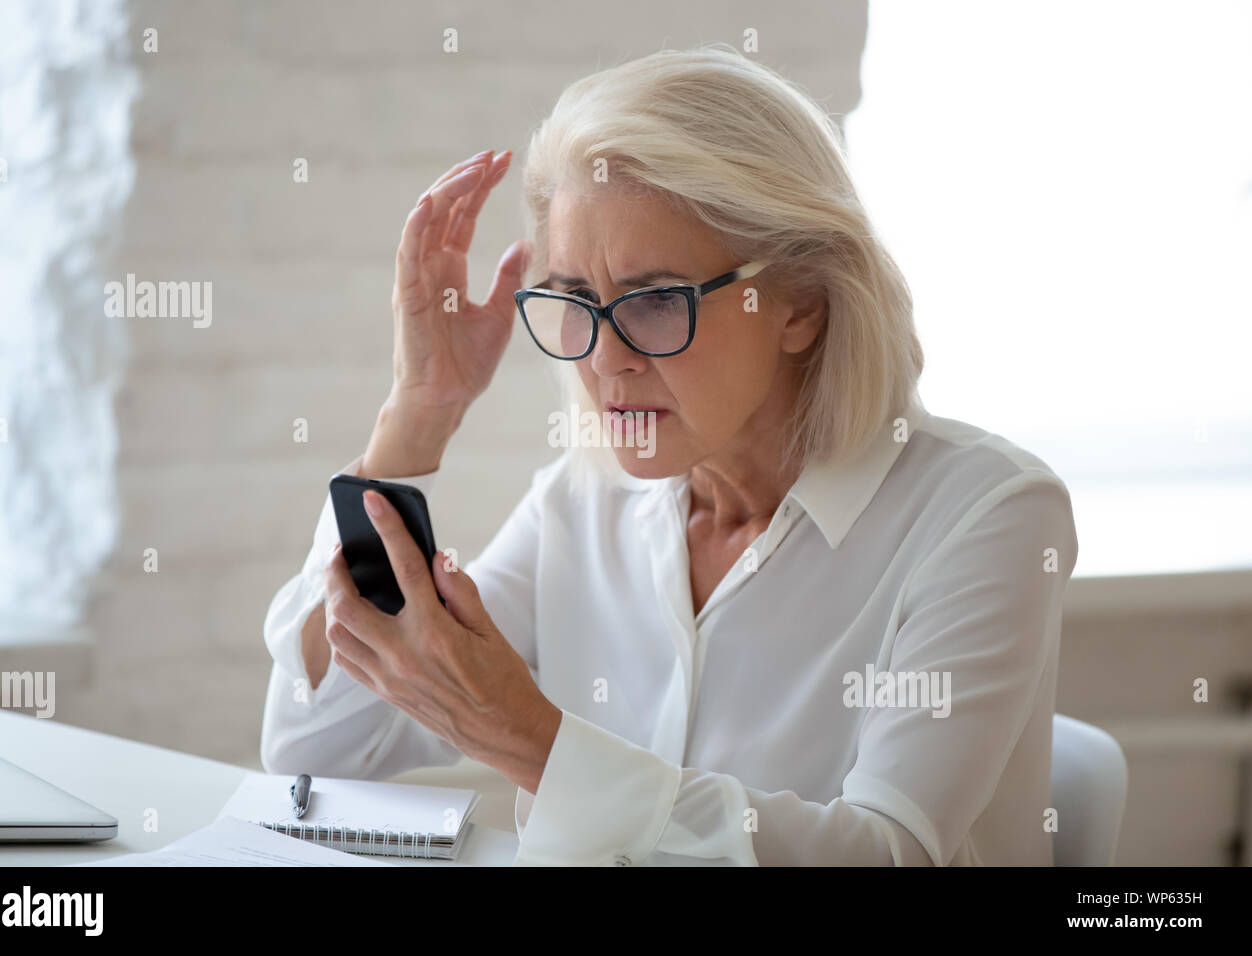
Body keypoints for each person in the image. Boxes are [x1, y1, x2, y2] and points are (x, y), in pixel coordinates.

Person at [259, 45, 1078, 866]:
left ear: (801, 303)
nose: (605, 360)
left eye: (654, 300)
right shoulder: (583, 503)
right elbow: (318, 748)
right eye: (579, 299)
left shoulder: (987, 515)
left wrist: (534, 744)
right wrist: (420, 409)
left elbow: (889, 854)